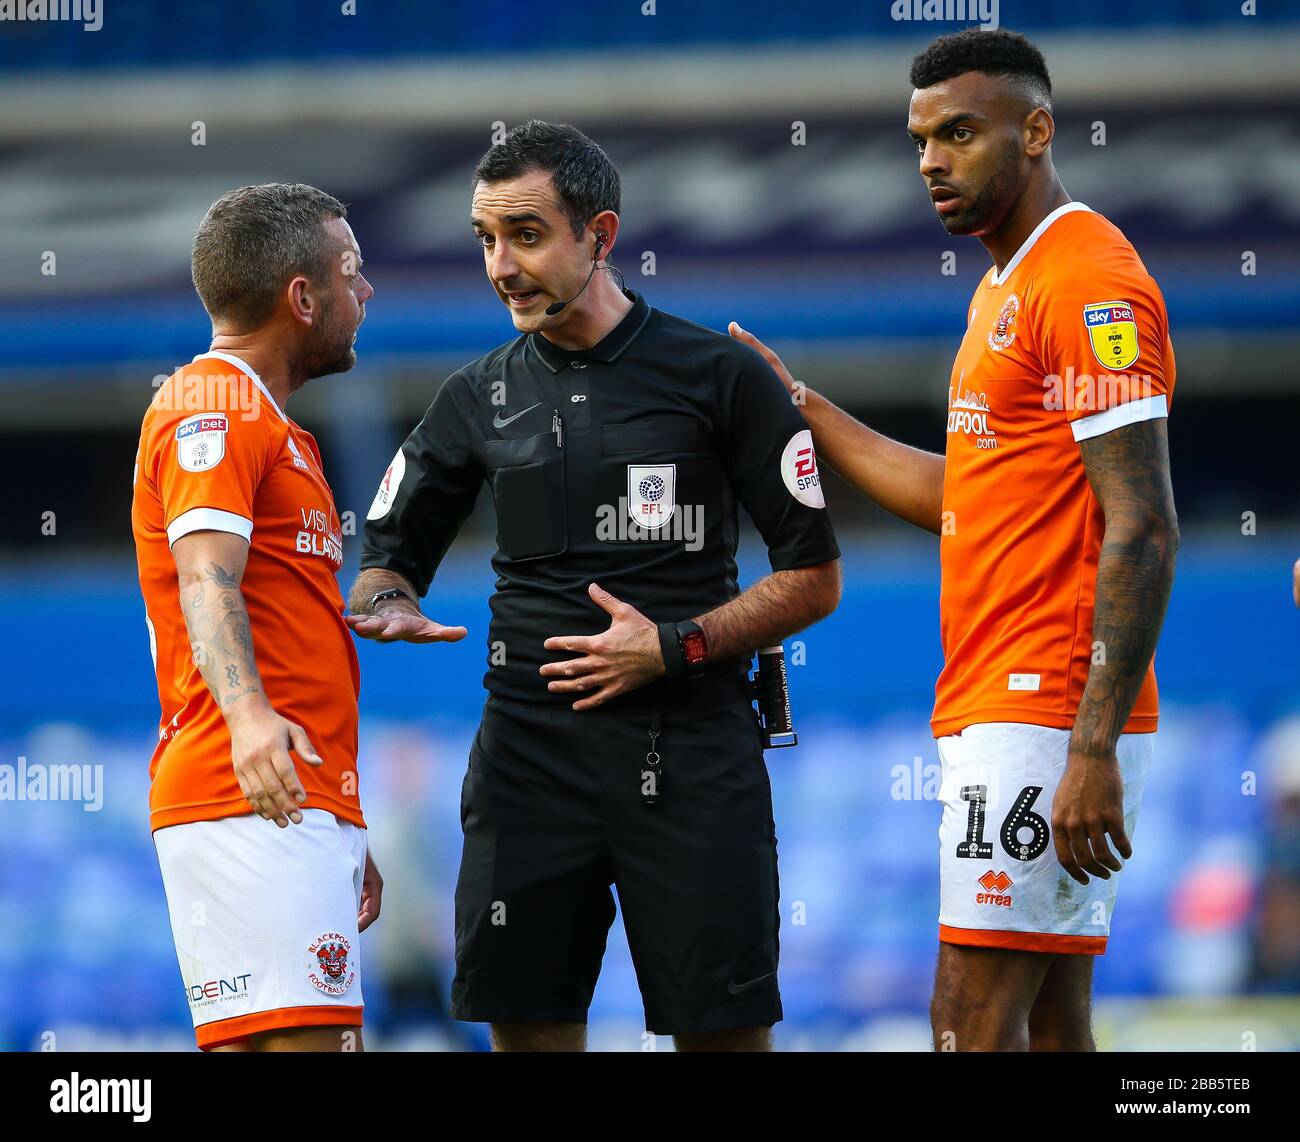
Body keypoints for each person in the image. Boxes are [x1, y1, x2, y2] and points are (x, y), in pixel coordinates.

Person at [348, 121, 841, 1052]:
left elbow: (814, 579)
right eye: (486, 239)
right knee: (528, 1030)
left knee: (724, 1036)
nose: (501, 265)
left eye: (526, 235)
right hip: (527, 764)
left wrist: (670, 645)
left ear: (601, 235)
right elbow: (385, 560)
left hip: (693, 757)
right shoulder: (473, 396)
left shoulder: (722, 376)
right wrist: (387, 604)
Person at [732, 29, 1178, 1051]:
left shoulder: (1086, 280)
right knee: (1055, 1029)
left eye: (960, 133)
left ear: (1036, 130)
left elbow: (1143, 525)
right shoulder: (1002, 285)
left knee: (963, 1027)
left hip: (1044, 702)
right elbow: (968, 496)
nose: (931, 159)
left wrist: (1090, 741)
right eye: (921, 138)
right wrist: (801, 406)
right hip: (1006, 696)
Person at [132, 183, 381, 1052]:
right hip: (250, 799)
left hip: (287, 803)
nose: (369, 291)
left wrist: (344, 817)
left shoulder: (274, 431)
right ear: (302, 298)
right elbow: (206, 577)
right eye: (352, 271)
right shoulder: (216, 406)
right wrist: (248, 721)